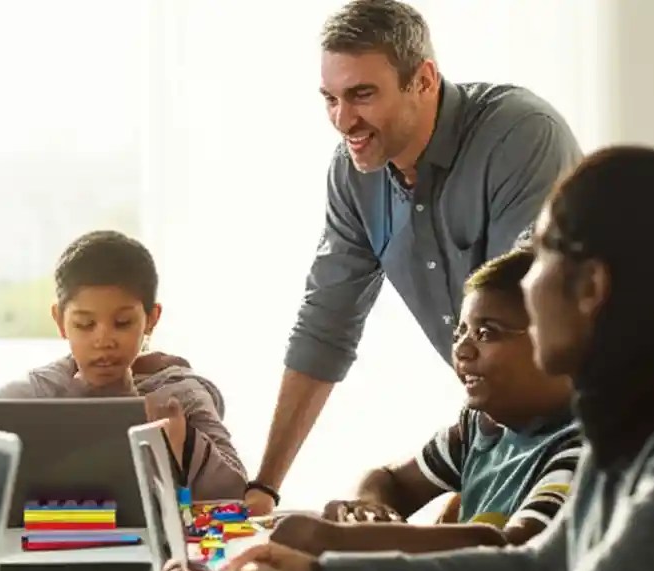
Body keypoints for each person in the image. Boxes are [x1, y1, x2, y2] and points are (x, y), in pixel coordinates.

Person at [213, 146, 654, 571]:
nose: (527, 284)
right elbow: (539, 569)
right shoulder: (633, 420)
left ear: (591, 287)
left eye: (540, 255)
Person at [245, 0, 582, 515]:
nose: (343, 120)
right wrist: (264, 490)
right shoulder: (353, 173)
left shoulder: (520, 135)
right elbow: (325, 323)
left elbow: (521, 306)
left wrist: (466, 498)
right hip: (493, 423)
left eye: (362, 95)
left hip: (571, 421)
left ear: (423, 80)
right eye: (330, 99)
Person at [271, 247, 580, 556]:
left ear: (560, 341)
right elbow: (392, 479)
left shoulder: (581, 449)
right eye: (460, 333)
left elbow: (518, 549)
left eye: (486, 333)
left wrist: (349, 539)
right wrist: (371, 508)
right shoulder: (480, 429)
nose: (462, 350)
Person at [0, 230, 246, 500]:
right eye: (85, 324)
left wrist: (182, 441)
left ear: (151, 319)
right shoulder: (37, 394)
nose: (103, 341)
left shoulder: (180, 395)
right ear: (59, 321)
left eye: (122, 323)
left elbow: (238, 494)